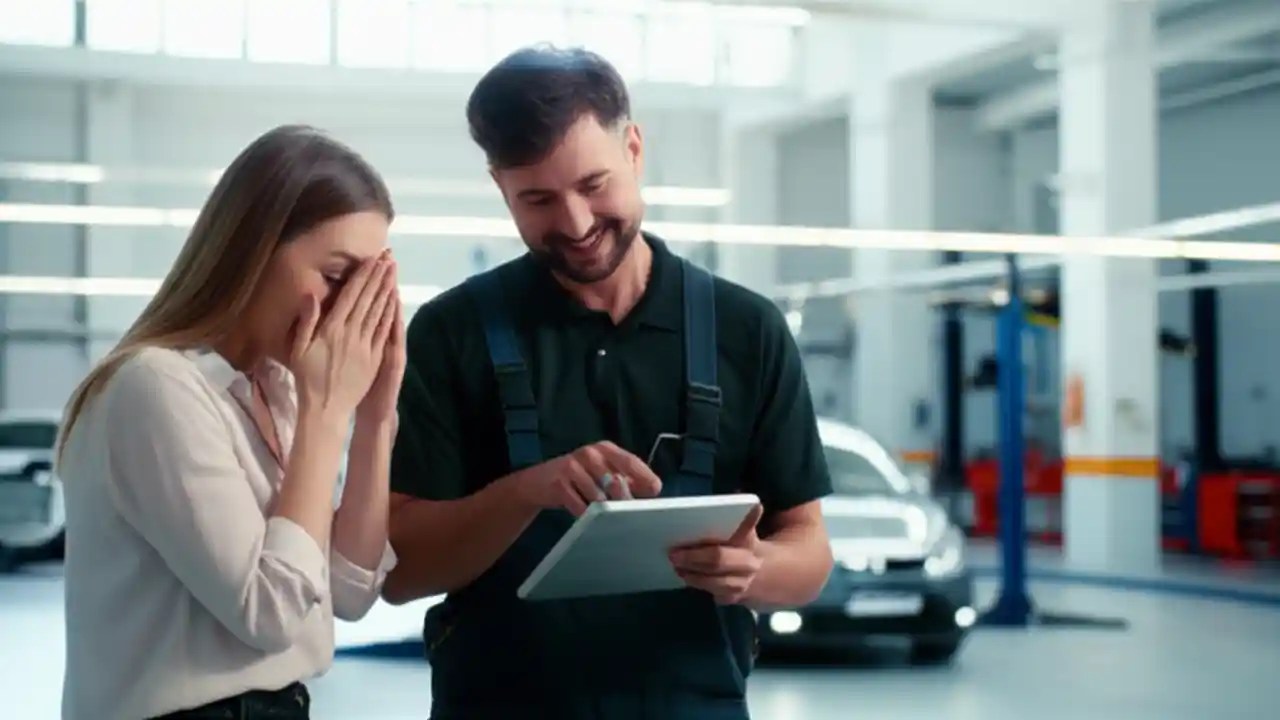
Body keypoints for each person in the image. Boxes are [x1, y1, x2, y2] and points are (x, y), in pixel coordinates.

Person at [383, 46, 835, 719]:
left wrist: (754, 572)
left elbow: (810, 552)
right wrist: (526, 491)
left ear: (633, 147)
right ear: (500, 187)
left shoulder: (748, 331)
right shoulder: (453, 335)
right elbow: (400, 571)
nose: (576, 223)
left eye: (593, 184)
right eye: (537, 199)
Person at [55, 125, 404, 720]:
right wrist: (327, 413)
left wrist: (374, 416)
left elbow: (349, 592)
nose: (349, 311)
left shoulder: (280, 390)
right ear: (255, 249)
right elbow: (269, 613)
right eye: (336, 277)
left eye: (367, 289)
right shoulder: (155, 387)